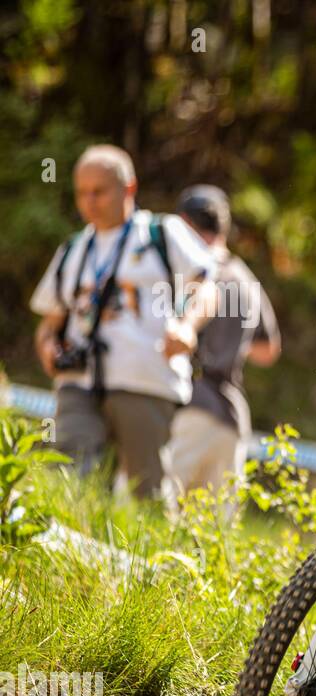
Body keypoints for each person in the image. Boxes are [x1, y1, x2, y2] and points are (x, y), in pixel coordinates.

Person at [30, 145, 217, 500]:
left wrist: (187, 327)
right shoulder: (73, 249)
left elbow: (206, 290)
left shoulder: (162, 233)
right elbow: (49, 323)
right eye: (82, 192)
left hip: (145, 382)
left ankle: (152, 556)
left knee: (148, 493)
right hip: (79, 383)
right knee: (70, 482)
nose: (90, 201)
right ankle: (70, 553)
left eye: (99, 191)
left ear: (128, 188)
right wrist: (47, 349)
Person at [168, 185, 281, 494]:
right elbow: (268, 350)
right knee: (213, 534)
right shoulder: (246, 279)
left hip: (189, 406)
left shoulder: (190, 272)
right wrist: (230, 344)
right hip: (232, 418)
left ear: (185, 224)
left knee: (150, 514)